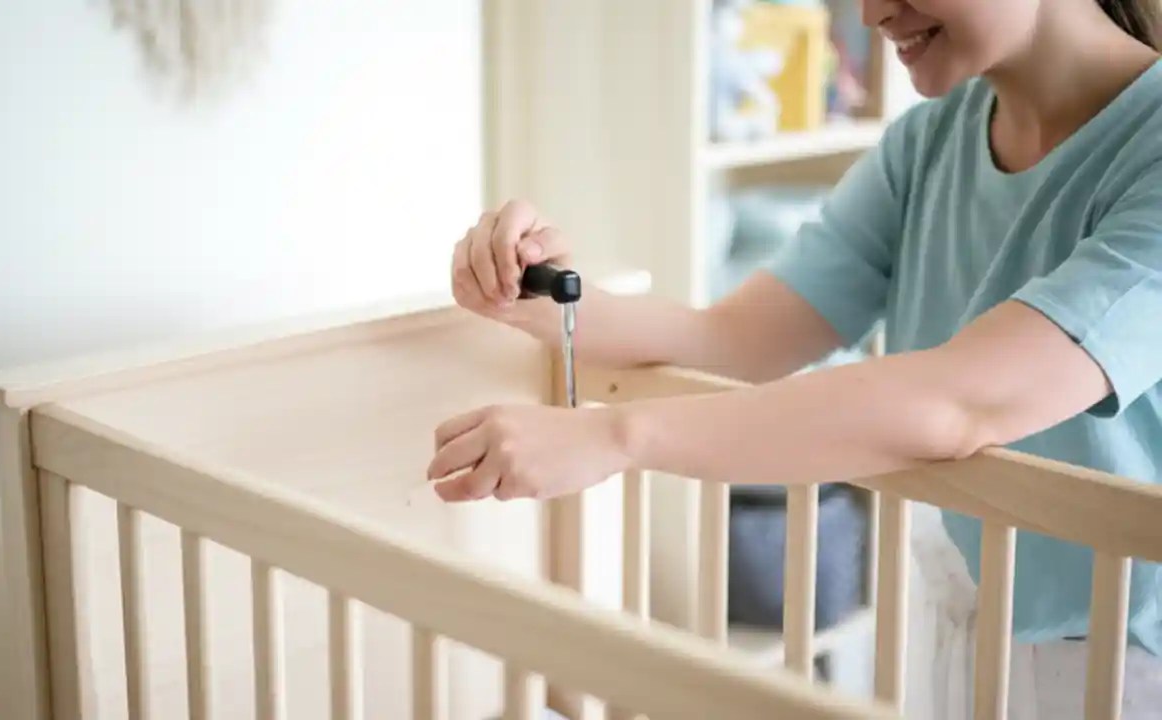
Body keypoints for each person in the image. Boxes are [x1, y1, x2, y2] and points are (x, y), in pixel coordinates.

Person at [427, 0, 1162, 716]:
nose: (871, 15)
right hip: (973, 616)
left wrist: (617, 436)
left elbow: (962, 399)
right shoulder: (929, 143)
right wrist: (536, 294)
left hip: (1125, 660)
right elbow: (736, 340)